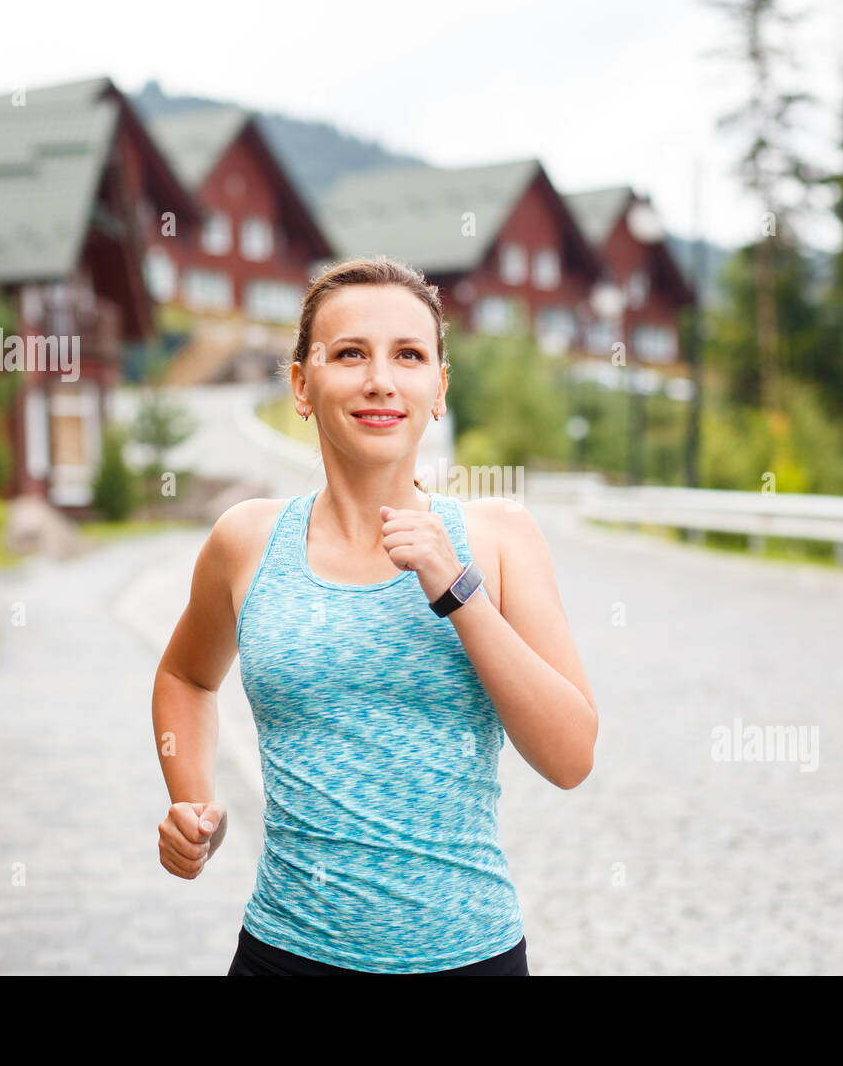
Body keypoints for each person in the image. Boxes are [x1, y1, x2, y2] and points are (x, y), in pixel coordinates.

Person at [152, 255, 599, 975]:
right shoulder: (246, 541)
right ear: (301, 383)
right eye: (350, 353)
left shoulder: (499, 538)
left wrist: (457, 590)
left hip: (468, 956)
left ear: (439, 389)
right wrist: (196, 804)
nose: (381, 380)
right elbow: (184, 676)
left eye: (410, 355)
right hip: (285, 953)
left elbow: (571, 755)